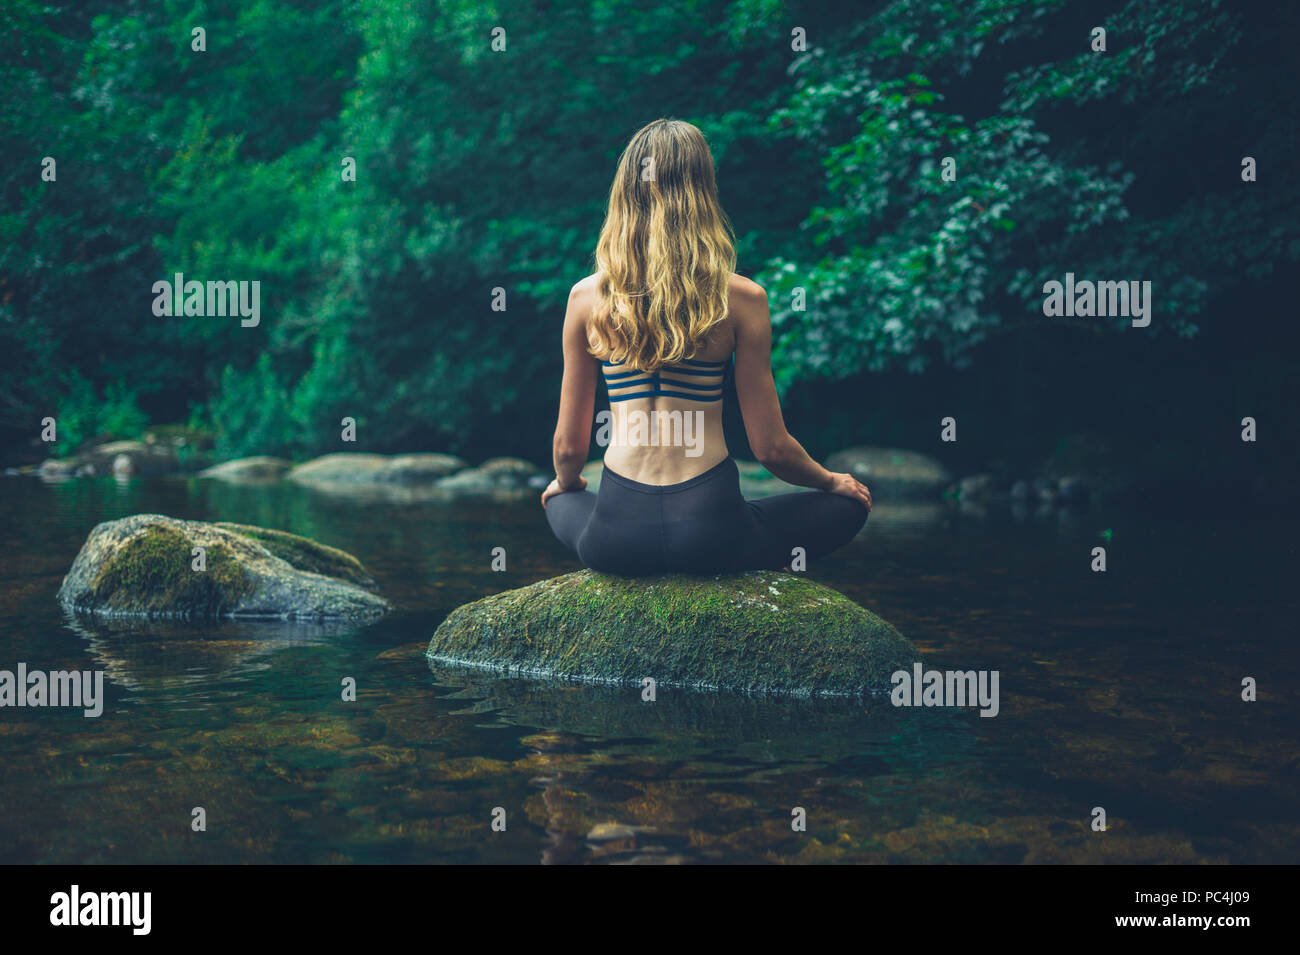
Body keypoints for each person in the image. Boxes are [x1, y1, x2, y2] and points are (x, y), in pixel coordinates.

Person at [542, 118, 871, 576]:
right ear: (702, 192)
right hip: (711, 532)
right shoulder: (743, 298)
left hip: (617, 538)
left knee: (563, 501)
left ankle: (581, 510)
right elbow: (773, 449)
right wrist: (833, 480)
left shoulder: (585, 299)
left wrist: (566, 483)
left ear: (625, 194)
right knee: (850, 506)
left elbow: (568, 447)